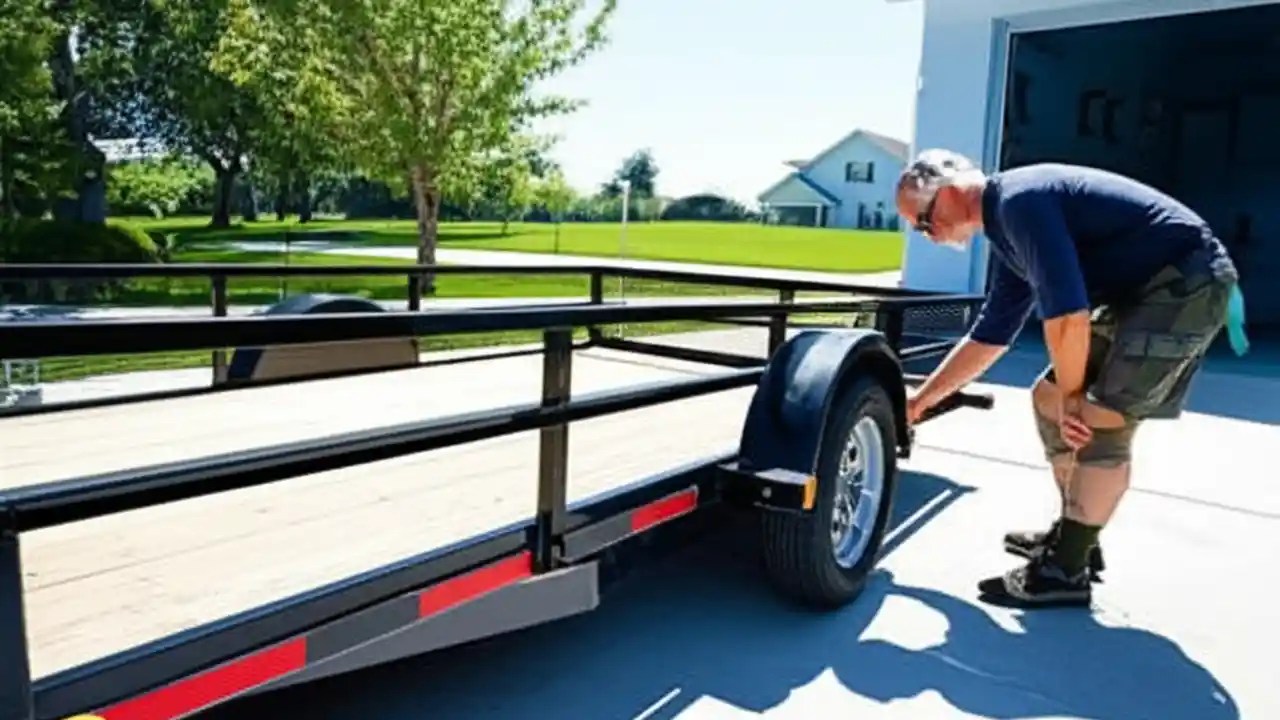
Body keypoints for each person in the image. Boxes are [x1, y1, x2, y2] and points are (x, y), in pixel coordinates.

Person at [894, 149, 1242, 609]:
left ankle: (1064, 572)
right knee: (1048, 396)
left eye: (923, 221)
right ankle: (1076, 535)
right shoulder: (1007, 228)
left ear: (952, 193)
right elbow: (991, 335)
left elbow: (1068, 318)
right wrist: (920, 401)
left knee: (1101, 420)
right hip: (1143, 291)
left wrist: (1076, 398)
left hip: (1185, 283)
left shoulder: (1019, 204)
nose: (927, 235)